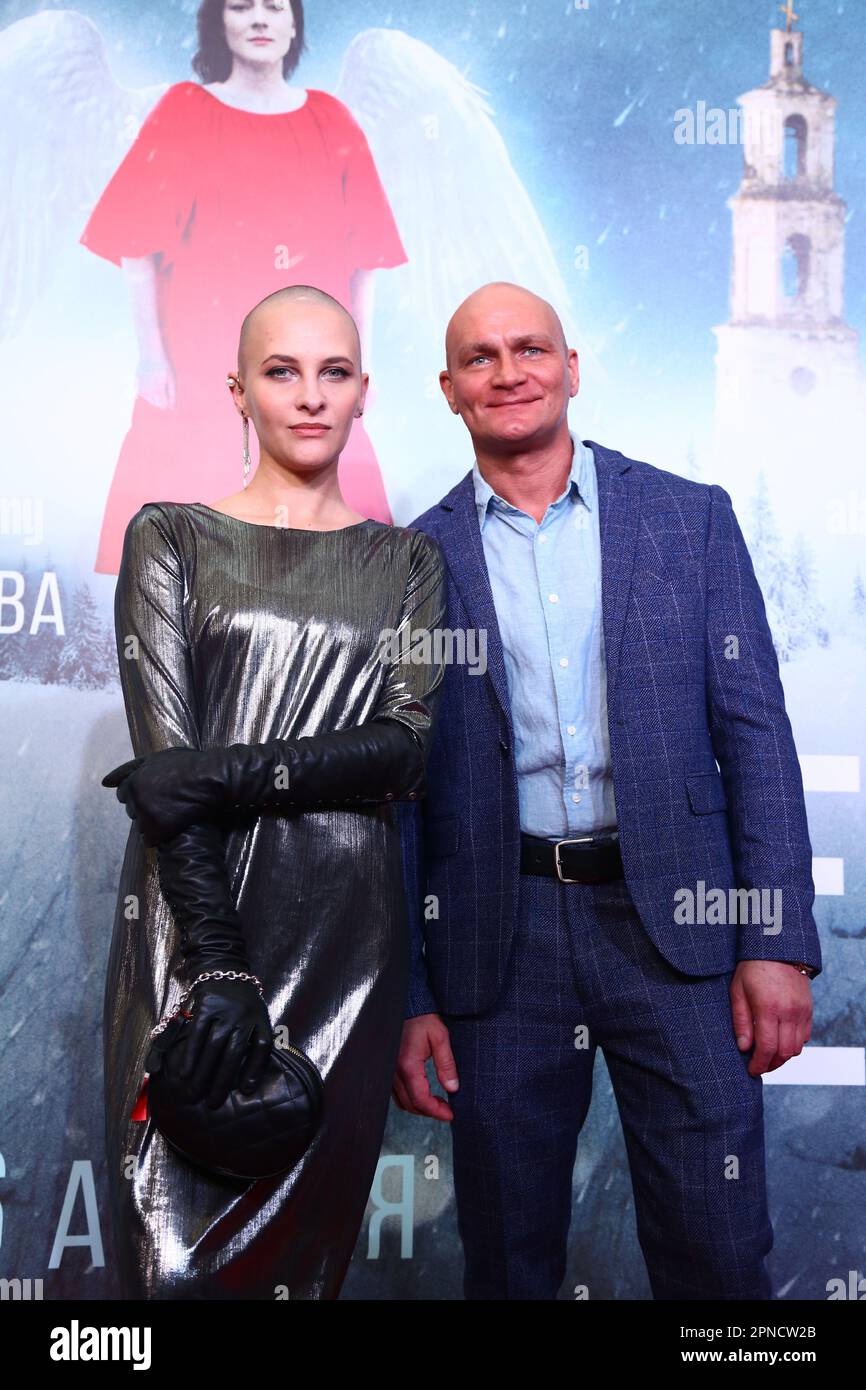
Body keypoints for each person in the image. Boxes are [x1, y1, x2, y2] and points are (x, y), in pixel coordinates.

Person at [393, 280, 822, 1301]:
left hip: (677, 927)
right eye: (481, 357)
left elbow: (754, 737)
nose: (509, 371)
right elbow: (400, 797)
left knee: (718, 1253)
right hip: (499, 945)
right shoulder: (408, 559)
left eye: (530, 348)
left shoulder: (687, 521)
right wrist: (412, 994)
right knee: (506, 1261)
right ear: (448, 389)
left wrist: (773, 939)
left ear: (571, 368)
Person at [101, 284, 445, 1300]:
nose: (308, 397)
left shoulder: (405, 560)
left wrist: (221, 770)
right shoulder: (169, 536)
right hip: (196, 925)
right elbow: (164, 784)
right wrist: (217, 970)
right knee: (170, 1261)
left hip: (348, 943)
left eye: (332, 372)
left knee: (306, 1265)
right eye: (281, 371)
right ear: (237, 391)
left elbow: (405, 750)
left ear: (362, 393)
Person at [80, 0, 407, 575]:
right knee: (184, 557)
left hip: (312, 370)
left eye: (274, 6)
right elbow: (136, 244)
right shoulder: (184, 111)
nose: (259, 19)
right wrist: (151, 356)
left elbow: (367, 260)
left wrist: (362, 363)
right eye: (241, 6)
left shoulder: (331, 120)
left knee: (341, 564)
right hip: (200, 362)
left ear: (293, 24)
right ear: (220, 24)